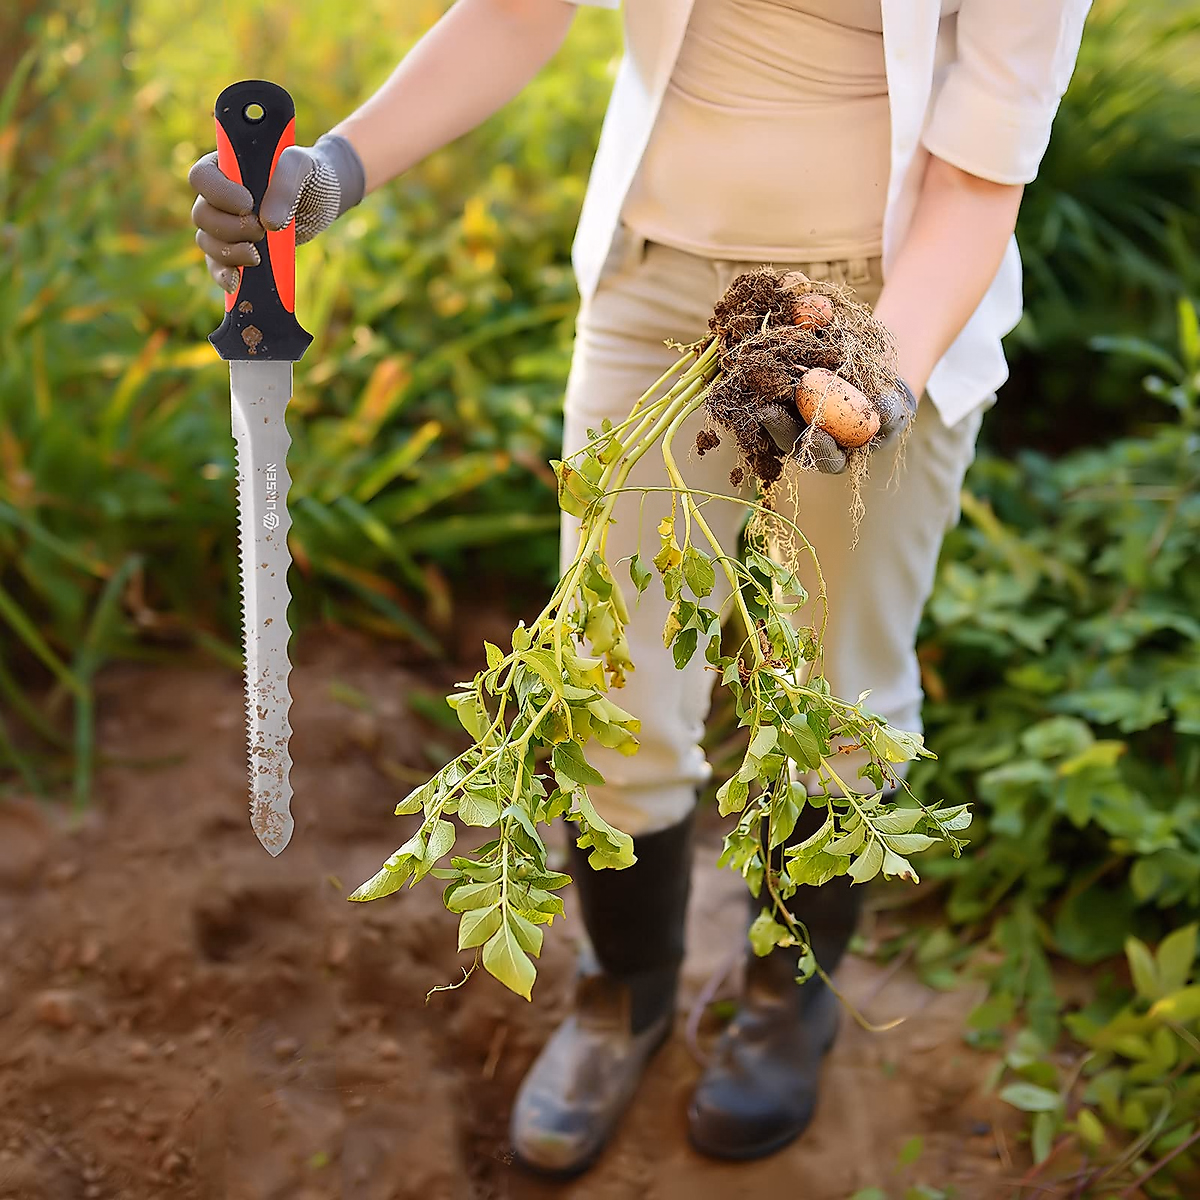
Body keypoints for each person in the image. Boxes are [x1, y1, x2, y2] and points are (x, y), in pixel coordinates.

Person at [190, 0, 1091, 1176]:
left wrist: (883, 375)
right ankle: (625, 994)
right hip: (658, 286)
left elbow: (976, 185)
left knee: (840, 688)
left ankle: (789, 999)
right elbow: (518, 10)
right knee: (608, 674)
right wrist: (335, 170)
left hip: (882, 310)